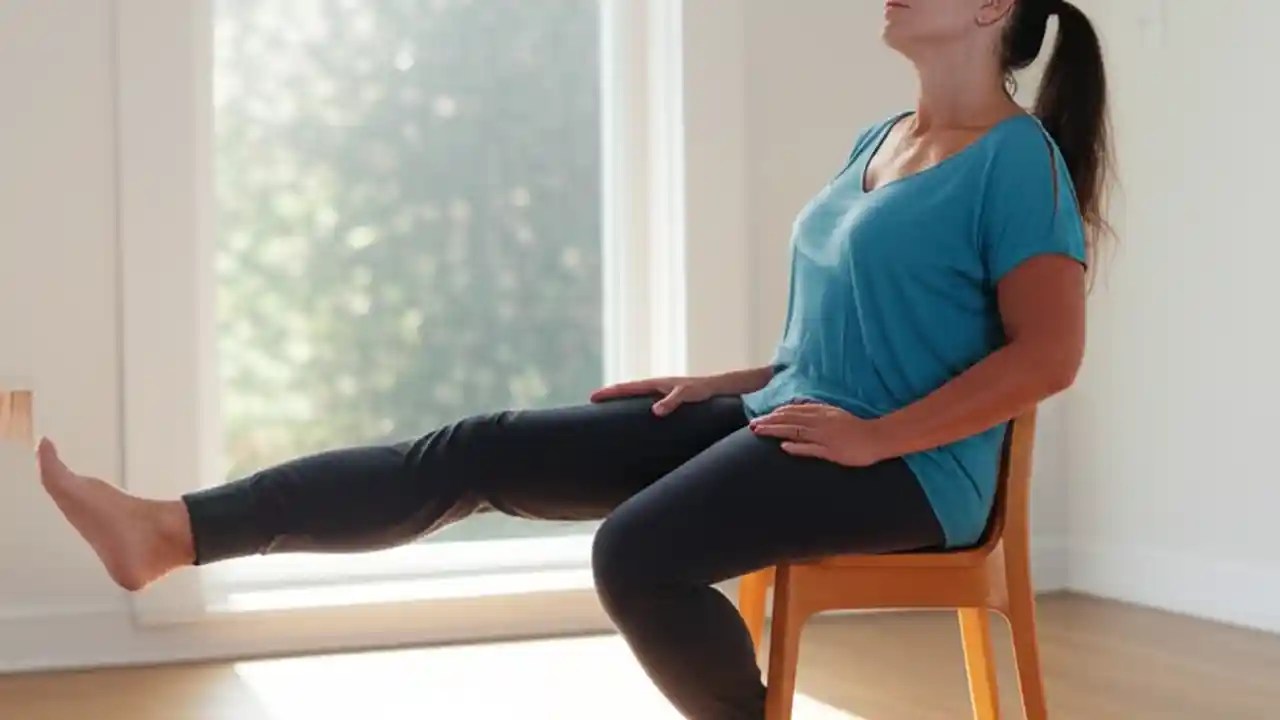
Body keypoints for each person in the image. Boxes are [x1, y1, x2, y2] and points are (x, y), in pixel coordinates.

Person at [37, 0, 1110, 717]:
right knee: (481, 451)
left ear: (993, 9)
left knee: (634, 553)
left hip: (912, 474)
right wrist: (722, 384)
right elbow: (850, 334)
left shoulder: (1017, 165)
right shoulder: (878, 139)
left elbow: (1047, 357)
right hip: (793, 417)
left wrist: (878, 435)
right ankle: (171, 533)